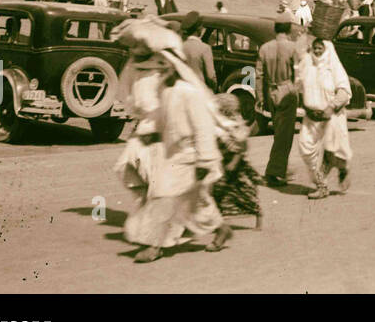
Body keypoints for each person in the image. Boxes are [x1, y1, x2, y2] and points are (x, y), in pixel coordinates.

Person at [111, 16, 230, 264]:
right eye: (160, 67)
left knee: (164, 196)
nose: (162, 70)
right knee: (189, 199)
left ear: (174, 67)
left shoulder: (189, 93)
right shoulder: (166, 91)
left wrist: (205, 160)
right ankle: (219, 227)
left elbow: (203, 127)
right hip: (169, 151)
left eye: (166, 67)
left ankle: (155, 246)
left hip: (188, 155)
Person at [295, 35, 353, 199]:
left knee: (330, 151)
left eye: (321, 47)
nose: (318, 50)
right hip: (311, 117)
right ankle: (341, 166)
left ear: (327, 49)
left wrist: (331, 106)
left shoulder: (333, 67)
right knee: (305, 148)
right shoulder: (308, 65)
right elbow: (299, 83)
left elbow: (344, 91)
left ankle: (322, 185)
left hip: (331, 117)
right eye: (316, 47)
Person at [256, 20, 299, 187]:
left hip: (270, 91)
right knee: (285, 135)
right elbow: (298, 72)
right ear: (288, 30)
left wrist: (260, 97)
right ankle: (274, 172)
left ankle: (277, 169)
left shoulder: (265, 48)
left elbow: (259, 75)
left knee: (278, 132)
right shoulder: (292, 47)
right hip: (286, 89)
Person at [211, 93, 263, 229]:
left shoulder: (235, 124)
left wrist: (234, 162)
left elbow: (241, 146)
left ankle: (258, 217)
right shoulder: (221, 124)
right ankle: (219, 222)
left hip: (235, 164)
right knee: (219, 193)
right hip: (223, 163)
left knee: (245, 193)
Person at [181, 25, 217, 92]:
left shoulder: (180, 46)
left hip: (183, 89)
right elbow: (210, 76)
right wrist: (213, 89)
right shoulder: (205, 48)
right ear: (199, 30)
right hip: (199, 90)